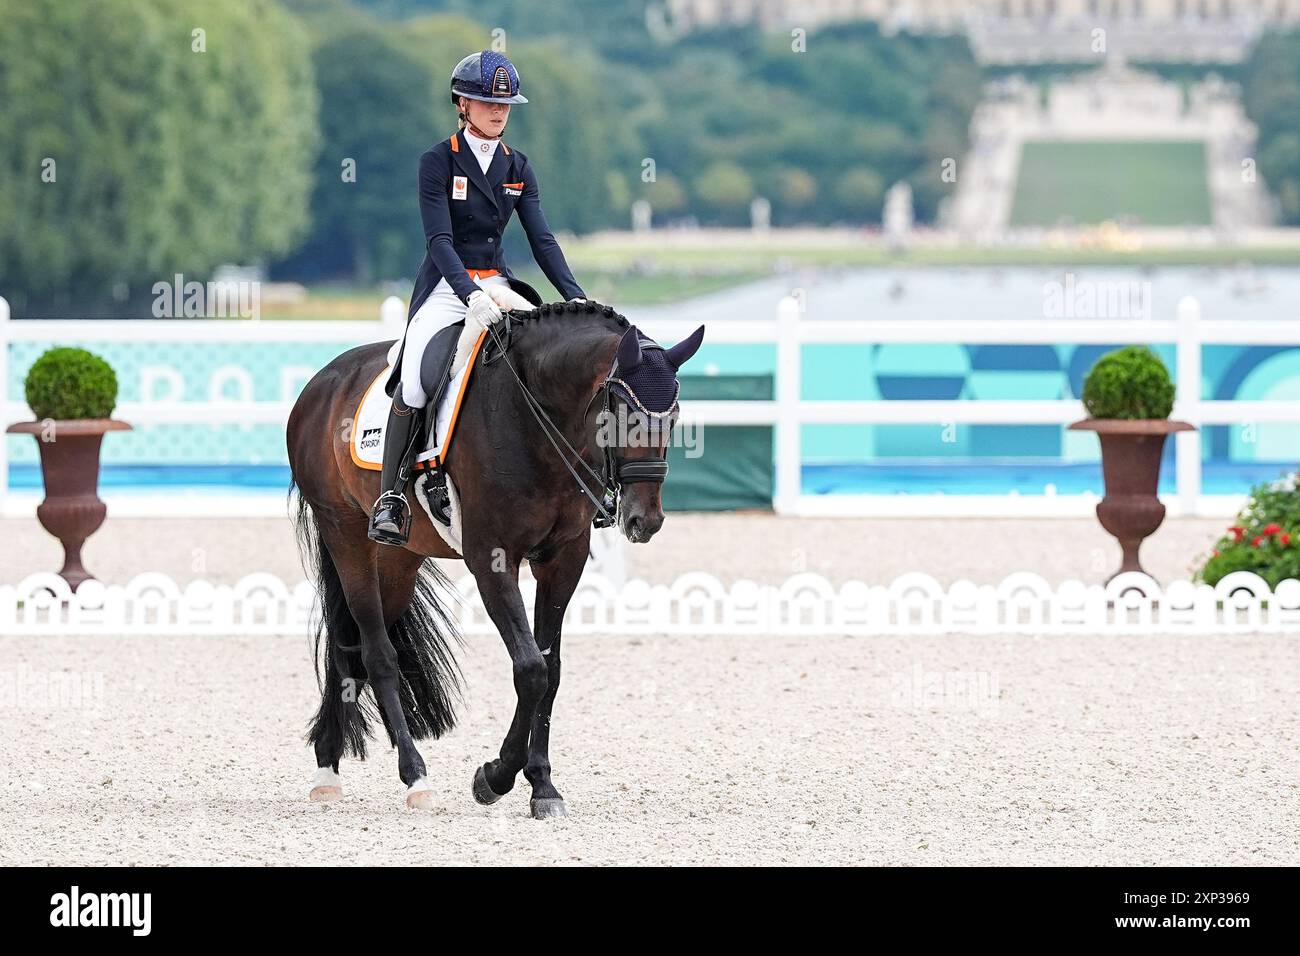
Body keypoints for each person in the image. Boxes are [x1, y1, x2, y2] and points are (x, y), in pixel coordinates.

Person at [369, 50, 588, 546]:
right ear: (462, 104)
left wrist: (576, 299)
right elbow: (439, 242)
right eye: (488, 103)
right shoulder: (438, 161)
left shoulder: (518, 167)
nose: (499, 112)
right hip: (448, 287)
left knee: (553, 364)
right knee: (416, 379)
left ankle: (577, 486)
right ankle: (393, 495)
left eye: (506, 105)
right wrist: (469, 294)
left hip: (500, 285)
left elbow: (543, 241)